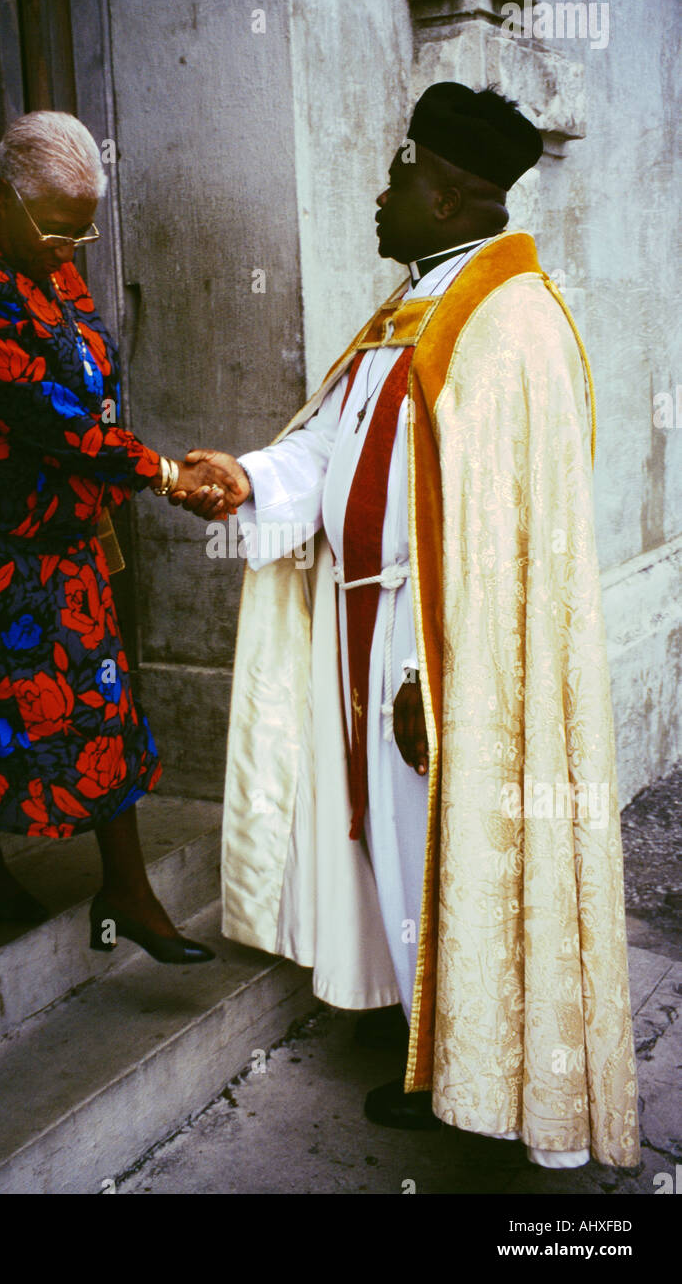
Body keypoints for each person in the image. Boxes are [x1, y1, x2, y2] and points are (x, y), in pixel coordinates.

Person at [179, 83, 640, 1167]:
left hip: (446, 660)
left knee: (475, 863)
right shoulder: (411, 310)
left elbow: (516, 545)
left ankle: (515, 1098)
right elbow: (330, 453)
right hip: (373, 638)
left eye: (396, 177)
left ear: (447, 193)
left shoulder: (511, 325)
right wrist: (246, 479)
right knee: (402, 859)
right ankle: (442, 1060)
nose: (378, 196)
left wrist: (458, 676)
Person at [0, 111, 240, 963]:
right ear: (3, 197)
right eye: (54, 228)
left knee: (102, 696)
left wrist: (144, 471)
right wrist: (164, 477)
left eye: (82, 233)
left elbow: (89, 391)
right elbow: (51, 418)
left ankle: (126, 888)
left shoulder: (49, 265)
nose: (68, 248)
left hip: (57, 533)